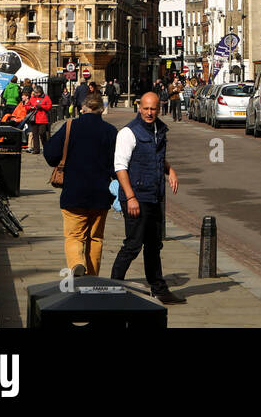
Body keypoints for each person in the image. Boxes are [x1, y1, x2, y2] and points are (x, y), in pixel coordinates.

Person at [109, 92, 184, 304]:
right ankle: (113, 287)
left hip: (154, 194)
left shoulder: (159, 129)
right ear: (139, 108)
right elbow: (120, 167)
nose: (150, 113)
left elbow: (155, 156)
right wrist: (130, 197)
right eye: (146, 109)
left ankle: (159, 288)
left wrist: (170, 170)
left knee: (153, 244)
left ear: (159, 109)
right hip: (136, 195)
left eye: (153, 109)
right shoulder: (128, 133)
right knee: (133, 245)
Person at [44, 94, 118, 277]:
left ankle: (77, 263)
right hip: (101, 193)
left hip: (74, 192)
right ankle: (92, 277)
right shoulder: (111, 131)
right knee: (95, 238)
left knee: (74, 236)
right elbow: (117, 164)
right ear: (101, 110)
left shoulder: (70, 126)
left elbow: (50, 154)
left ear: (82, 109)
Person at [26, 84, 52, 154]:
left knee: (42, 133)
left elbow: (49, 106)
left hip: (43, 118)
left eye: (37, 93)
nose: (36, 94)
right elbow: (27, 106)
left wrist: (41, 106)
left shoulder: (46, 97)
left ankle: (45, 147)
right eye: (35, 93)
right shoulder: (32, 98)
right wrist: (31, 107)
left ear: (41, 92)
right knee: (35, 134)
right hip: (34, 119)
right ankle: (36, 149)